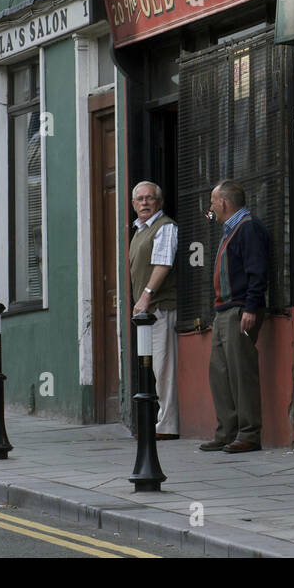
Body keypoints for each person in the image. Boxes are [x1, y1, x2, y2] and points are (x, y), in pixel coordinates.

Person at [200, 179, 271, 453]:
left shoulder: (248, 228)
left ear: (224, 203)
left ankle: (249, 433)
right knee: (219, 373)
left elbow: (257, 270)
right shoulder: (231, 229)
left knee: (242, 373)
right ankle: (227, 431)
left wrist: (251, 308)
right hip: (223, 312)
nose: (211, 209)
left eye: (213, 203)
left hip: (240, 310)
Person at [128, 181, 179, 439]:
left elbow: (163, 263)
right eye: (140, 199)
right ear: (133, 204)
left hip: (159, 308)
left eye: (150, 198)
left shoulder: (165, 227)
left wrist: (146, 296)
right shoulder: (139, 231)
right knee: (153, 368)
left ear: (159, 202)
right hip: (145, 314)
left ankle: (167, 426)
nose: (145, 203)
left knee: (163, 368)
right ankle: (159, 421)